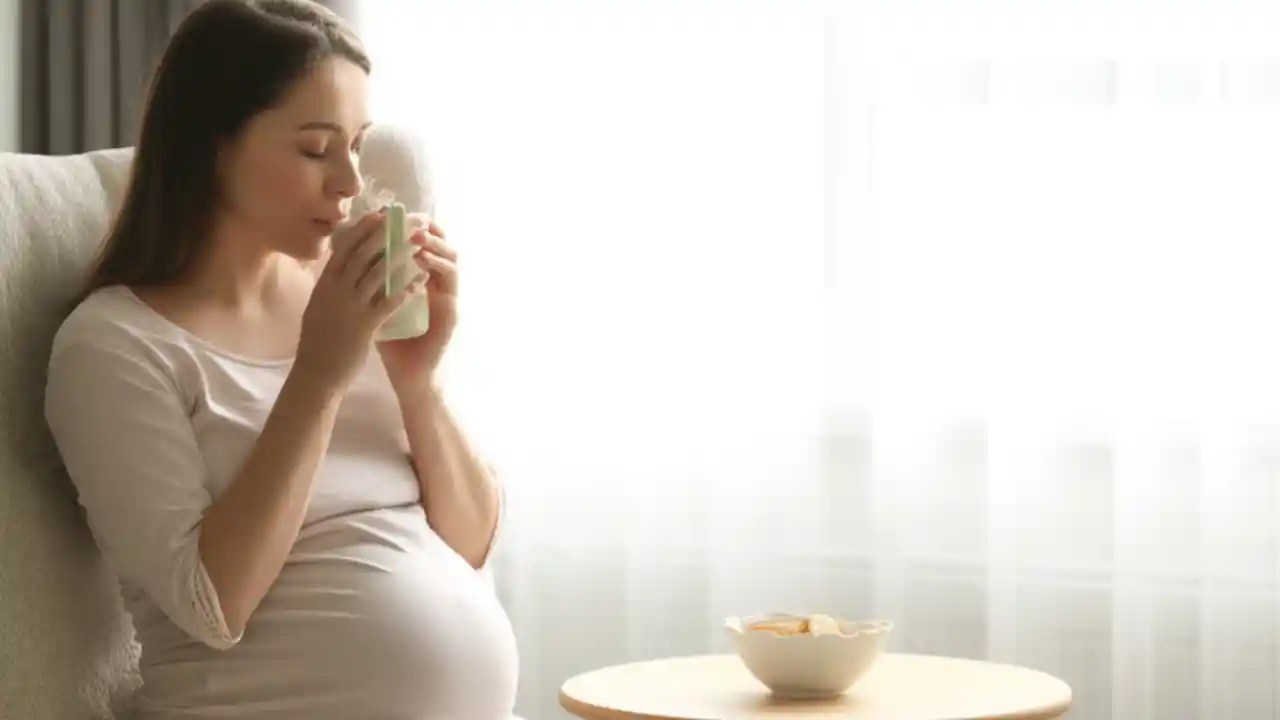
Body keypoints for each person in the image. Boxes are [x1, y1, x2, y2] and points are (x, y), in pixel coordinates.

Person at [42, 1, 520, 717]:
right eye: (315, 148)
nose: (350, 184)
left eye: (357, 145)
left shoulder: (353, 299)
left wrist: (419, 385)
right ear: (211, 146)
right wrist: (320, 375)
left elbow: (473, 543)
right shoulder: (113, 346)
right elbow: (213, 606)